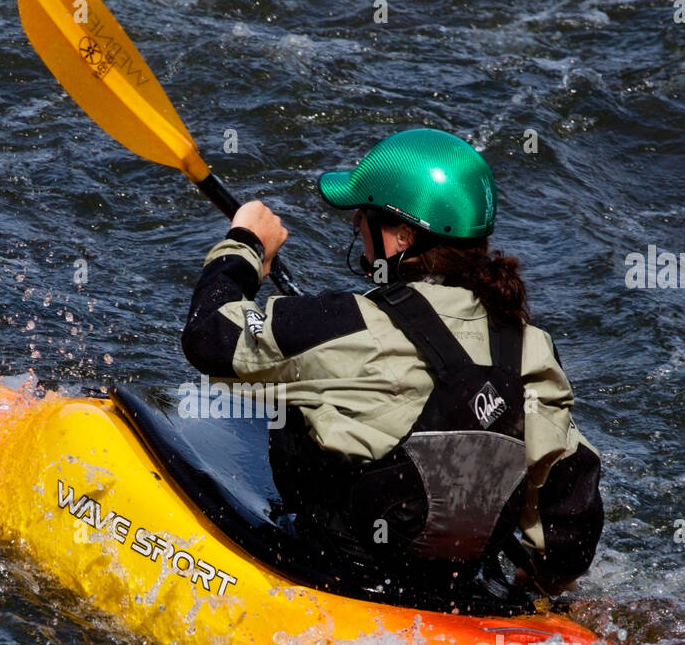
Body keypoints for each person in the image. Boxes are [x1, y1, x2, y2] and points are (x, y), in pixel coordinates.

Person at [181, 128, 602, 602]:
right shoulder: (529, 347)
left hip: (341, 580)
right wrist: (532, 595)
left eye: (363, 217)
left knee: (291, 405)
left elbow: (209, 335)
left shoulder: (350, 324)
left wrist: (245, 245)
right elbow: (572, 512)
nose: (357, 229)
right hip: (459, 595)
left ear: (401, 236)